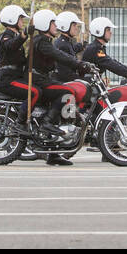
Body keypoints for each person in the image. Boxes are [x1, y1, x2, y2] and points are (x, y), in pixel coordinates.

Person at [29, 9, 93, 166]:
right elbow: (60, 56)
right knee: (67, 91)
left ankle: (54, 153)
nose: (55, 26)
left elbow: (64, 53)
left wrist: (80, 52)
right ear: (45, 25)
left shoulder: (46, 40)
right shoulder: (41, 42)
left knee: (66, 96)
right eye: (53, 23)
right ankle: (47, 123)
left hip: (42, 79)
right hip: (39, 80)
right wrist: (79, 64)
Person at [81, 17, 127, 84]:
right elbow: (111, 65)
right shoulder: (95, 48)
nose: (111, 32)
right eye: (108, 30)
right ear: (99, 31)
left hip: (93, 83)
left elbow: (113, 62)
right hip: (88, 85)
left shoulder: (98, 47)